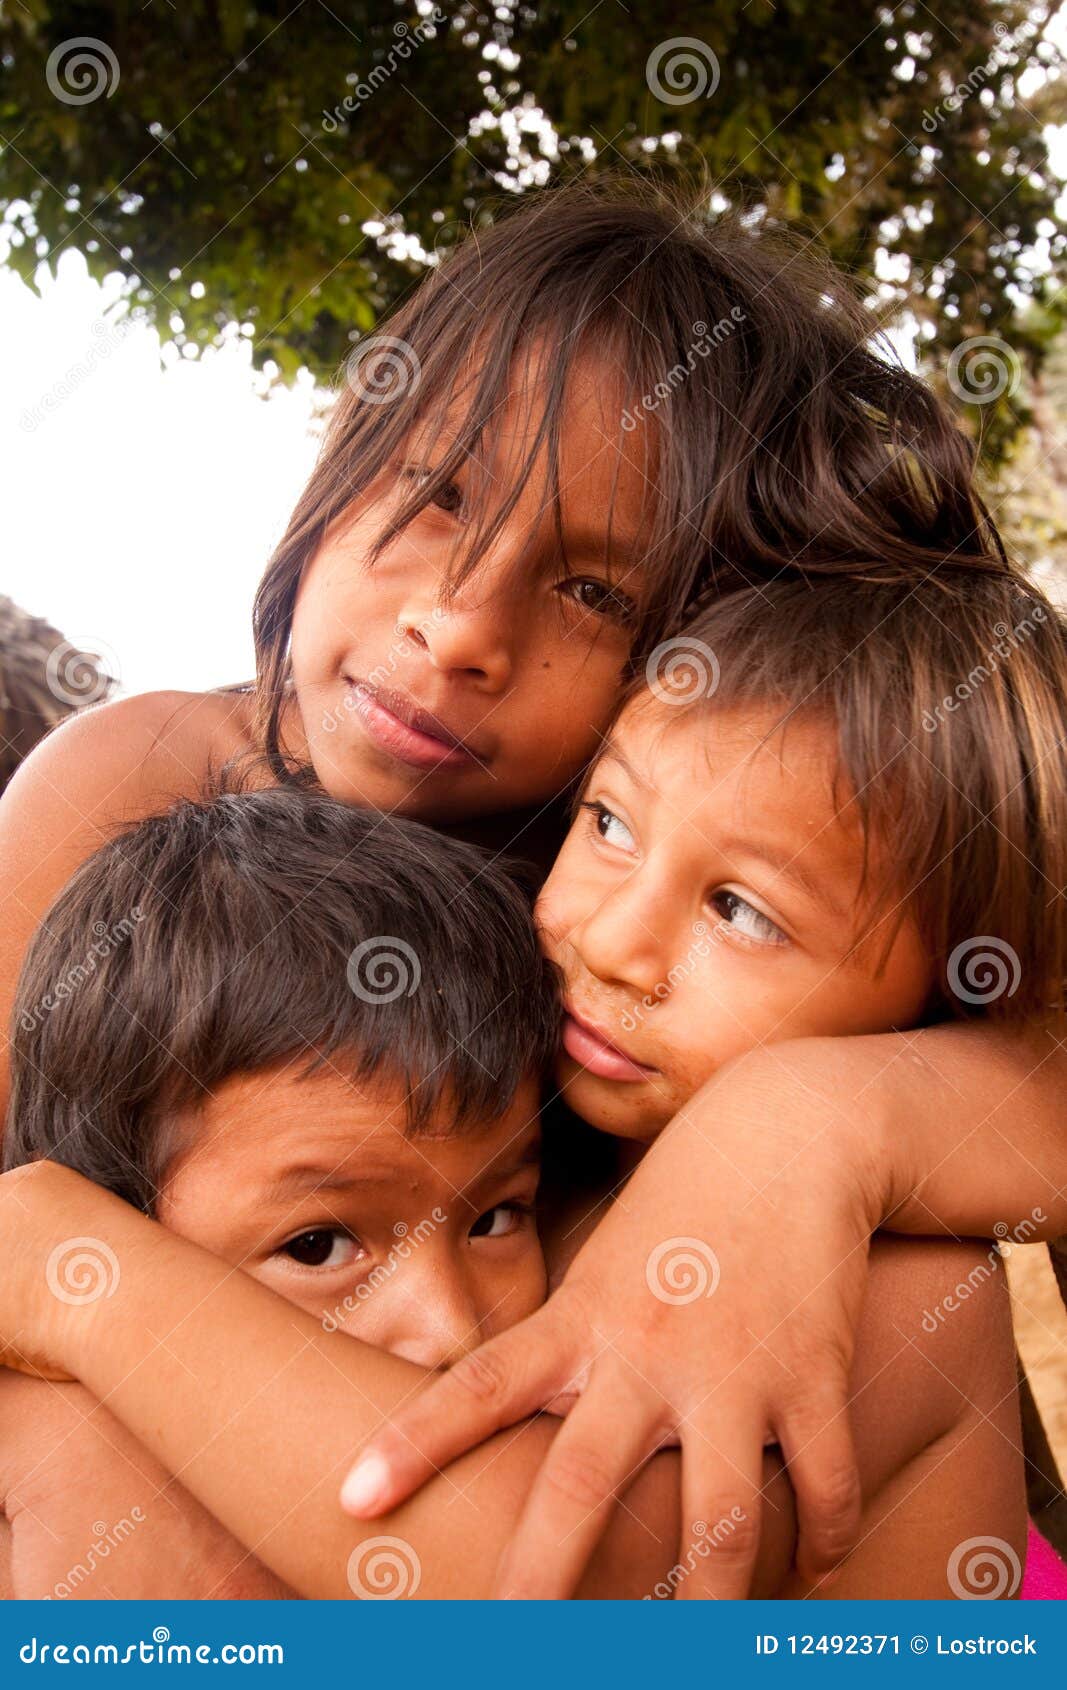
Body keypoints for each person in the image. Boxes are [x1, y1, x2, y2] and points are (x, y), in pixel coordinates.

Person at [1, 183, 1064, 1592]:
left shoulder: (694, 959)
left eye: (594, 592)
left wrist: (813, 1124)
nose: (456, 626)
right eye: (436, 495)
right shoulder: (141, 784)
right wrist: (60, 1415)